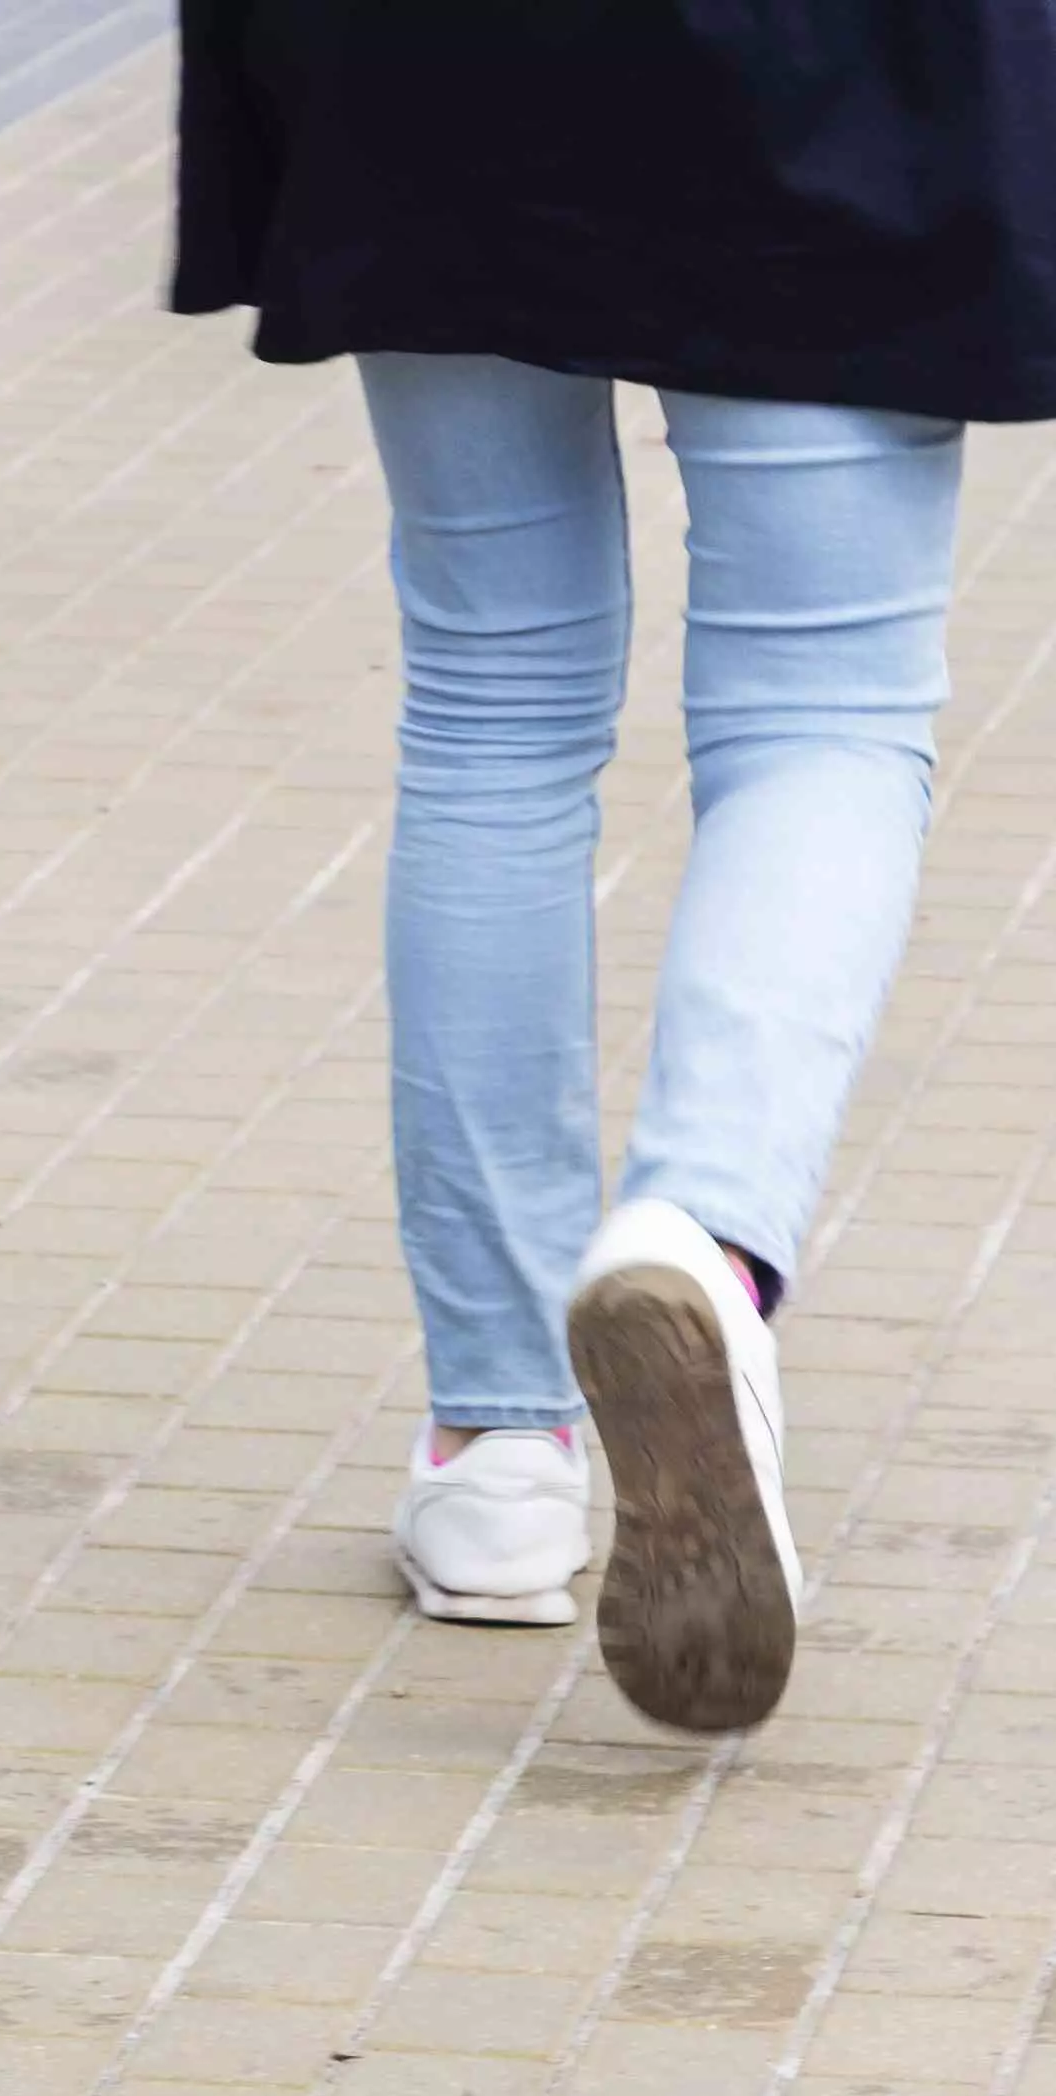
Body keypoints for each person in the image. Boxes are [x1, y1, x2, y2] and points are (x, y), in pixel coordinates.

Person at [176, 4, 1056, 1730]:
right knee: (823, 705)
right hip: (821, 62)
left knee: (493, 701)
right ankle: (703, 1239)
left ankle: (499, 1448)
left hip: (431, 62)